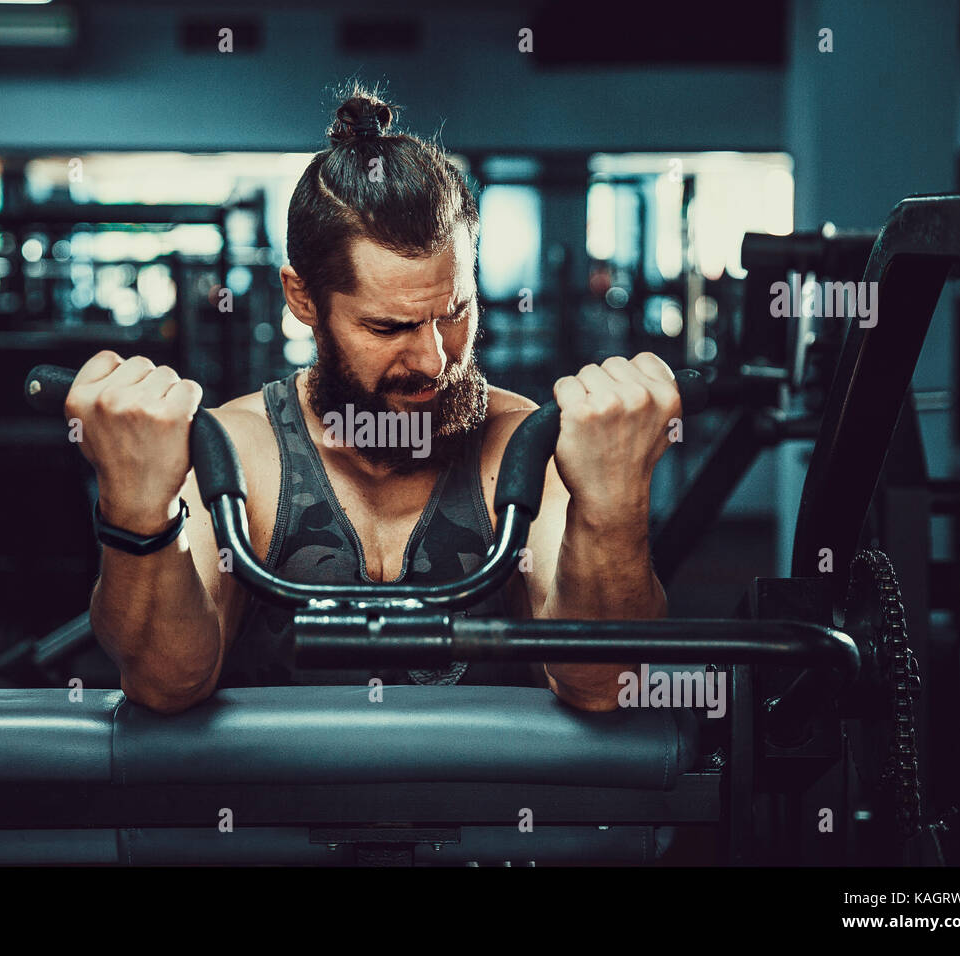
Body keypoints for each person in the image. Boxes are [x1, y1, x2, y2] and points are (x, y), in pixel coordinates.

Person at [65, 85, 681, 714]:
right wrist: (137, 512)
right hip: (280, 811)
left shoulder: (526, 449)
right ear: (303, 300)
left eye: (454, 313)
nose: (435, 361)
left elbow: (602, 682)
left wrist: (614, 508)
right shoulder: (235, 451)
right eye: (389, 328)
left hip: (486, 811)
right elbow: (168, 682)